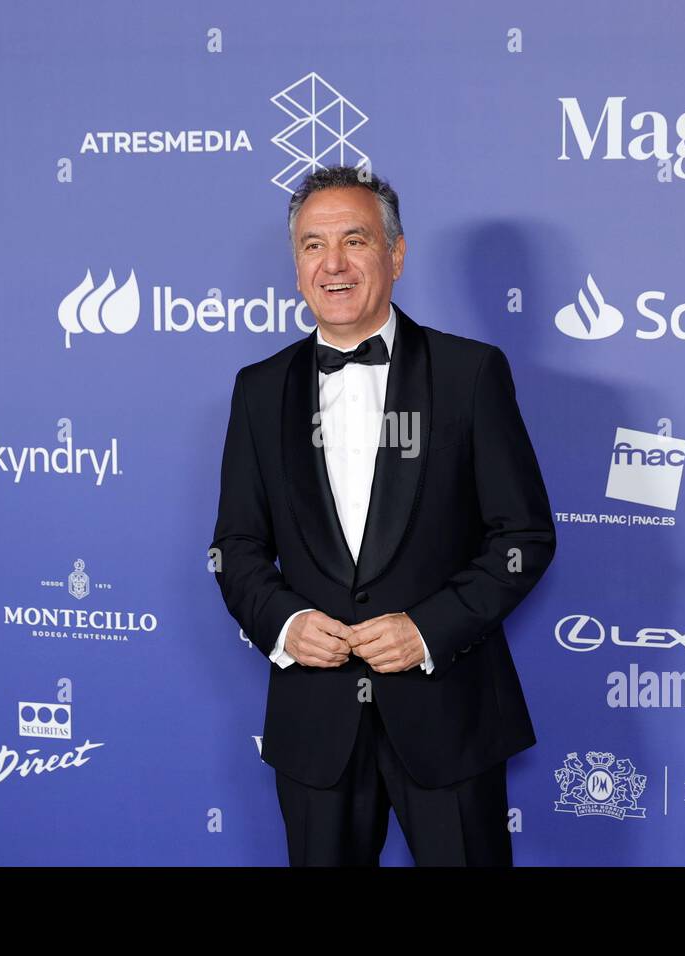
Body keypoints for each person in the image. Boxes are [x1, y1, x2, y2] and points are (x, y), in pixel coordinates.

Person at [210, 165, 555, 865]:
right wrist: (287, 623)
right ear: (296, 265)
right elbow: (237, 547)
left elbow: (523, 536)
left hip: (448, 714)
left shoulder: (471, 374)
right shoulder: (259, 390)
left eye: (355, 241)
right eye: (312, 246)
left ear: (395, 255)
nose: (332, 264)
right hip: (315, 726)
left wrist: (428, 631)